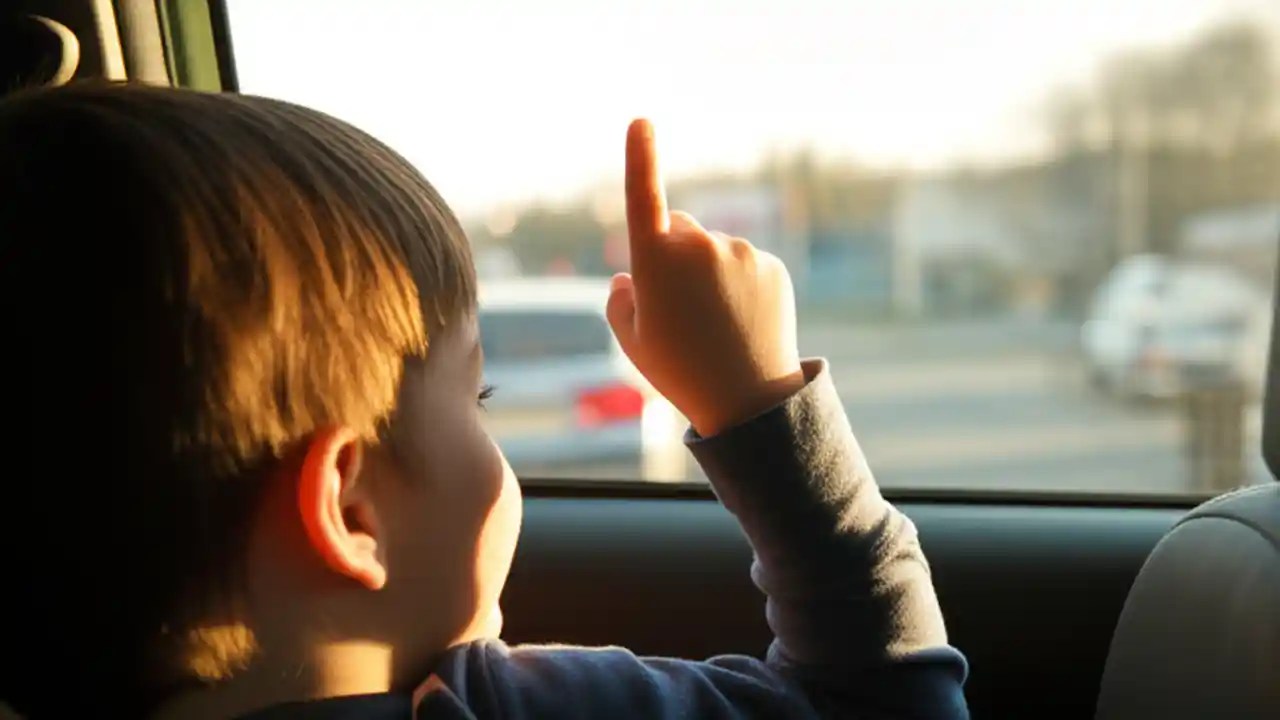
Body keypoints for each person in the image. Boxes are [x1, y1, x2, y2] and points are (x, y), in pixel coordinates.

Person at [0, 83, 968, 719]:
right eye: (478, 396)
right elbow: (883, 701)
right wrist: (758, 403)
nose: (491, 424)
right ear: (348, 509)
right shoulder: (491, 707)